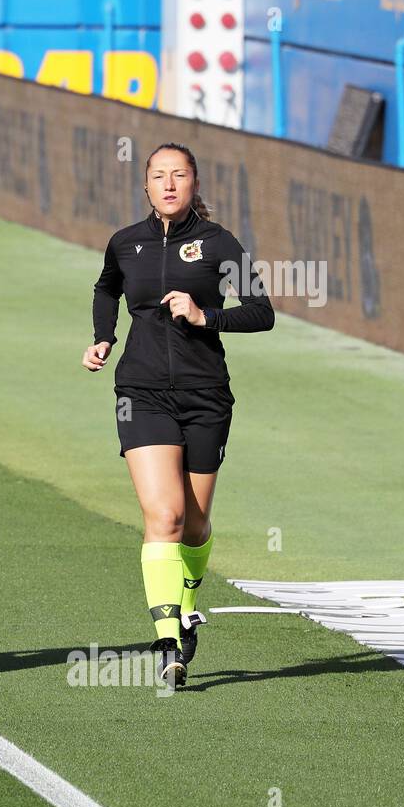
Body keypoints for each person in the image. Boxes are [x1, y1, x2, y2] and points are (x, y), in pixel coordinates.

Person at [83, 143, 273, 687]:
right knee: (162, 515)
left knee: (193, 522)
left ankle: (187, 606)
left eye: (179, 176)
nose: (168, 185)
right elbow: (105, 288)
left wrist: (204, 314)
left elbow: (262, 311)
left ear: (194, 184)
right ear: (145, 186)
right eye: (159, 176)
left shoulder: (219, 244)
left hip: (206, 394)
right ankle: (167, 637)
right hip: (140, 391)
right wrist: (102, 337)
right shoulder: (126, 243)